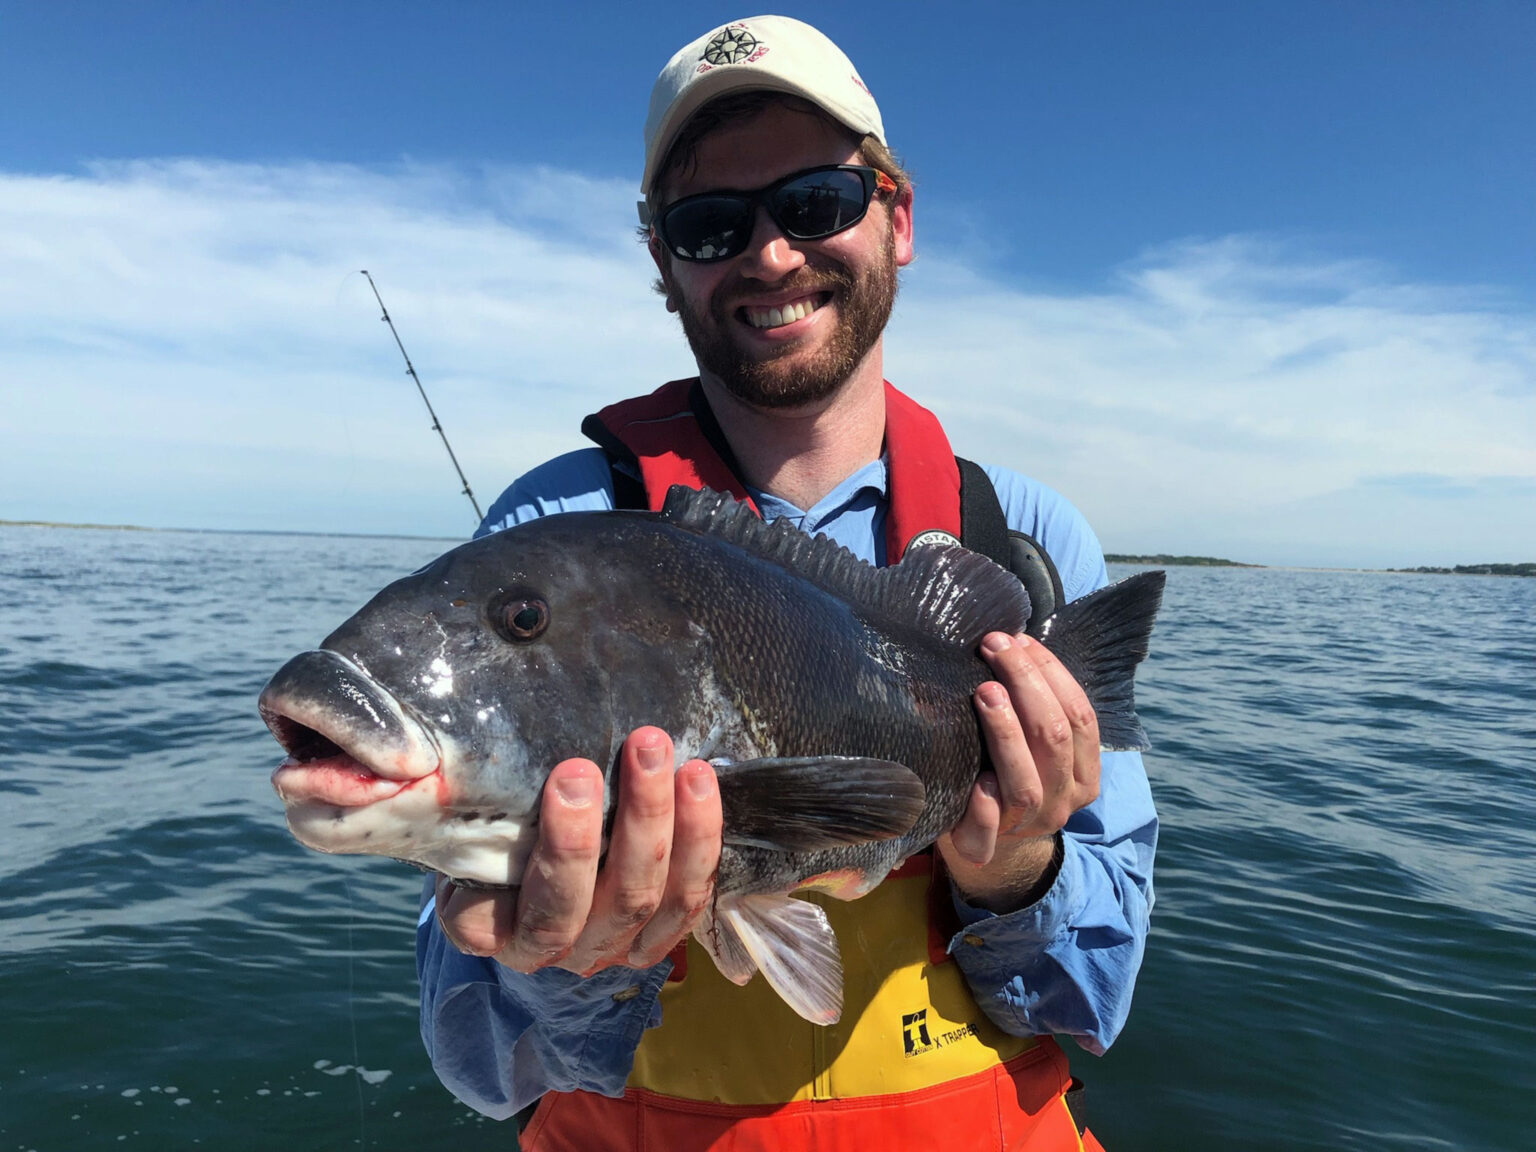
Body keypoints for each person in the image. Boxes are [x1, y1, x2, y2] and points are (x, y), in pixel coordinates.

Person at [416, 15, 1156, 1151]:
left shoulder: (1028, 541)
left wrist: (1015, 864)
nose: (769, 256)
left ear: (897, 219)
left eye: (817, 202)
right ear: (664, 264)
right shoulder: (552, 538)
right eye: (710, 224)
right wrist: (568, 960)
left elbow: (1092, 1002)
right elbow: (480, 1058)